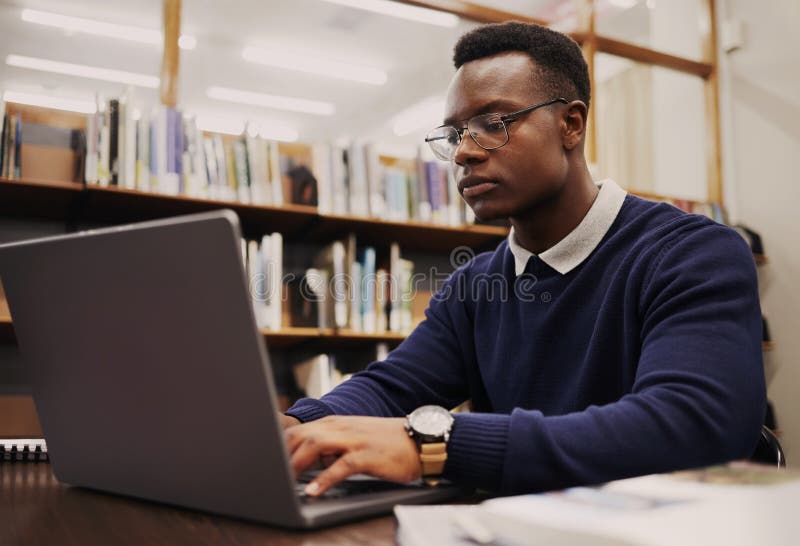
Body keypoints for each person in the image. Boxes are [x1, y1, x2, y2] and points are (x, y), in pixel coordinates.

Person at [281, 21, 766, 497]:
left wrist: (438, 445)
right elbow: (392, 387)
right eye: (454, 133)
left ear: (570, 124)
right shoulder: (476, 284)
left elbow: (692, 426)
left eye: (493, 124)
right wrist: (294, 427)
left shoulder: (693, 253)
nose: (464, 153)